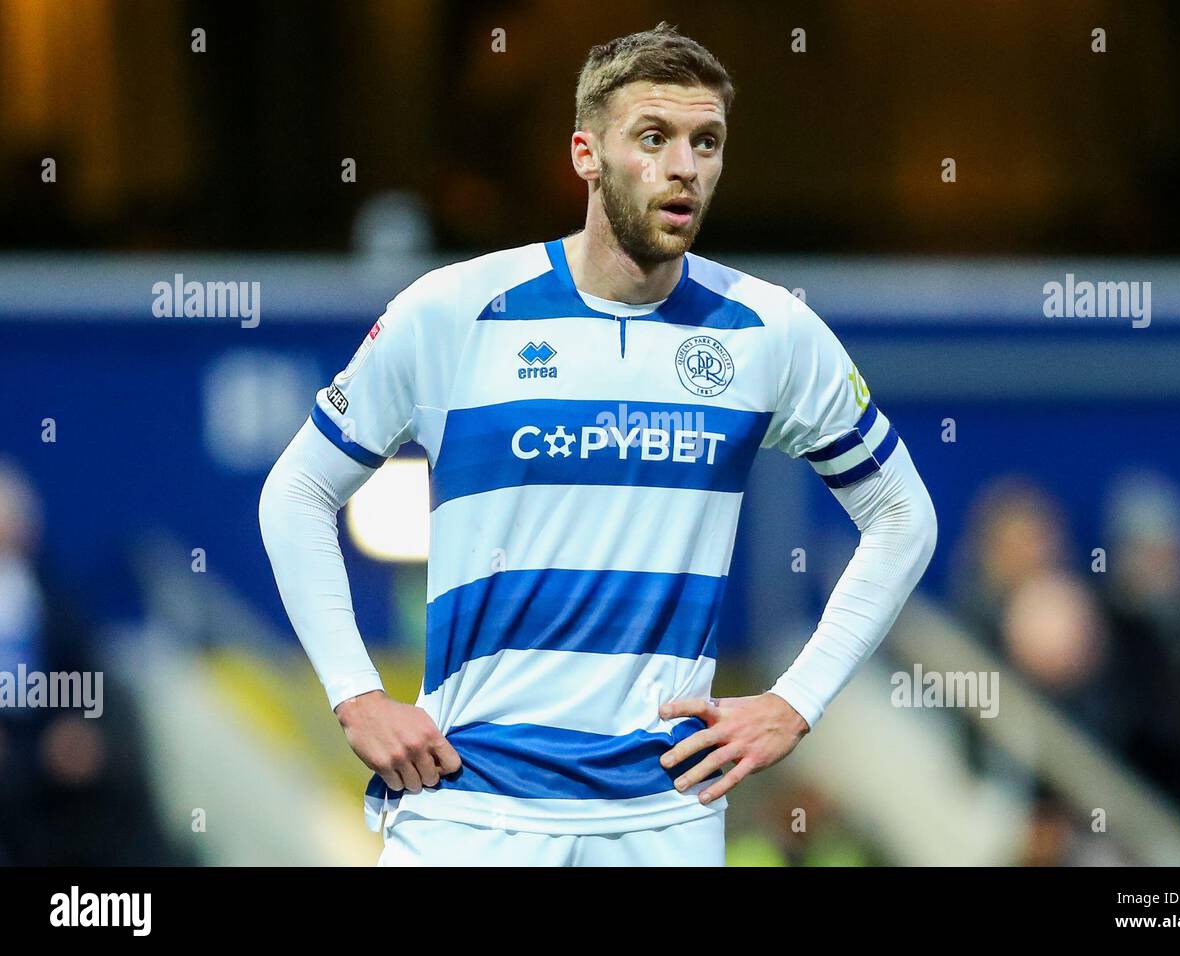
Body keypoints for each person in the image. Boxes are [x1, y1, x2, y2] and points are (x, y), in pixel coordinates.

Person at [260, 22, 937, 866]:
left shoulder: (771, 332)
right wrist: (356, 694)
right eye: (653, 138)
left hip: (664, 817)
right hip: (469, 810)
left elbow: (903, 515)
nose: (684, 166)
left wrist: (797, 700)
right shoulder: (453, 310)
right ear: (586, 154)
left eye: (707, 142)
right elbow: (294, 493)